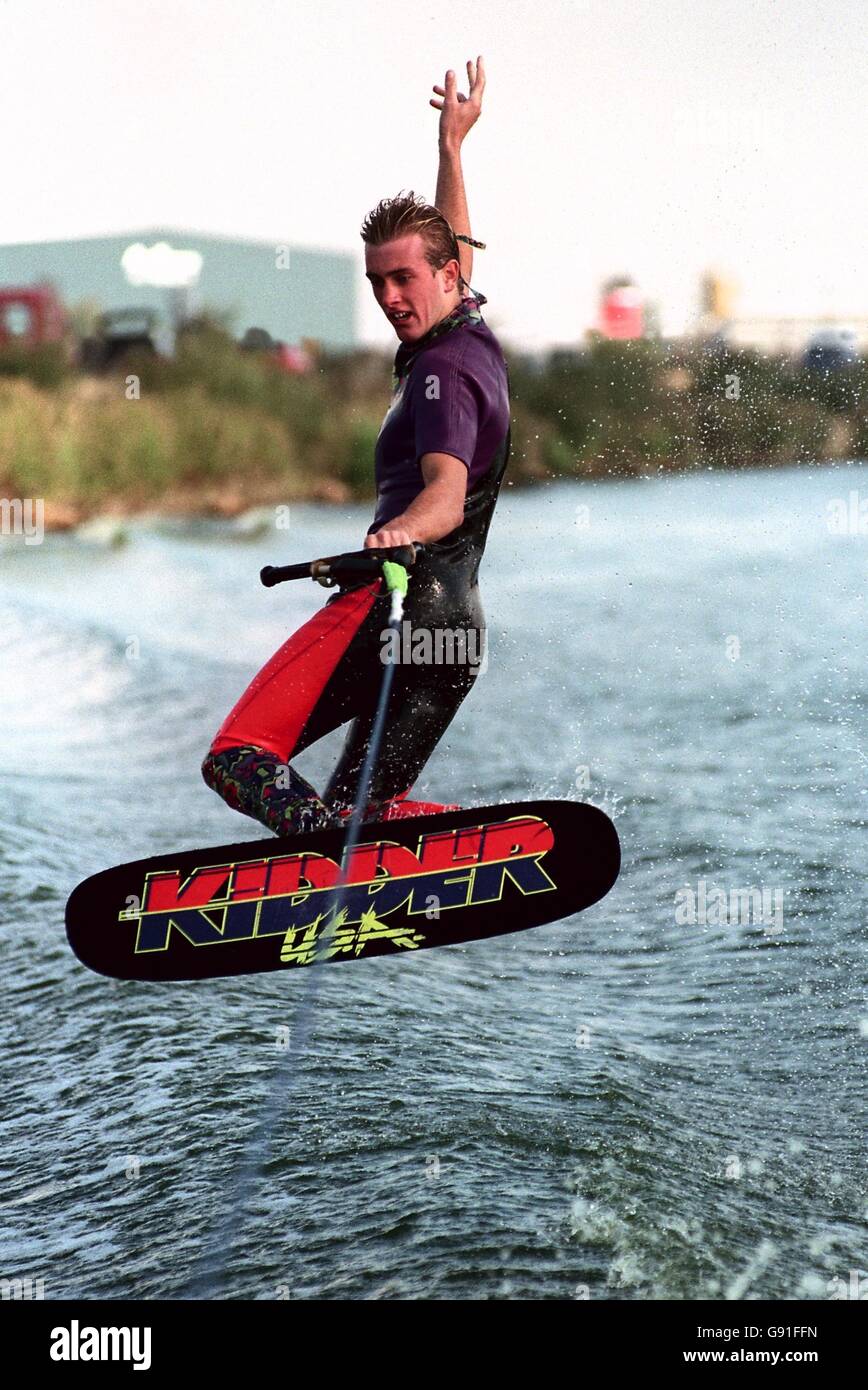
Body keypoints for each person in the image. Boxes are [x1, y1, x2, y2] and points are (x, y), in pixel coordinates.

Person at [201, 56, 511, 834]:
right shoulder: (464, 329)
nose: (388, 298)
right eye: (377, 282)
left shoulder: (442, 374)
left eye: (402, 280)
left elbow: (444, 491)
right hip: (454, 632)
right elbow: (451, 244)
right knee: (359, 812)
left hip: (395, 612)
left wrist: (402, 529)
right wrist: (452, 151)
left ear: (441, 276)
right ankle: (432, 842)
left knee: (238, 757)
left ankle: (321, 868)